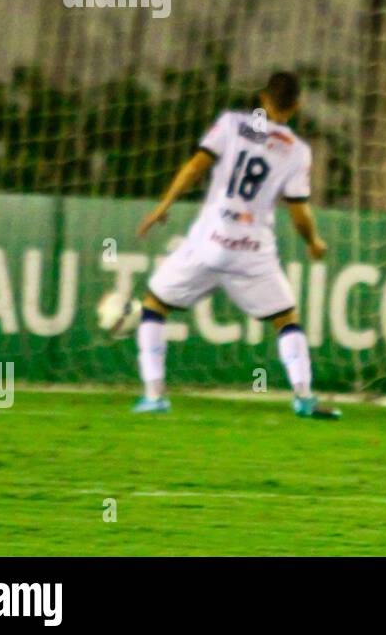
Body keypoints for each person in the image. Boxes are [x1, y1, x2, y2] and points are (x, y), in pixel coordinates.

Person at [104, 72, 339, 418]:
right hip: (252, 250)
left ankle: (155, 395)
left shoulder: (231, 124)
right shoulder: (298, 152)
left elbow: (196, 166)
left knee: (154, 307)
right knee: (286, 320)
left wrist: (164, 204)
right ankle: (304, 397)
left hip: (209, 240)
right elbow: (299, 212)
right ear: (296, 106)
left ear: (263, 98)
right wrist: (314, 242)